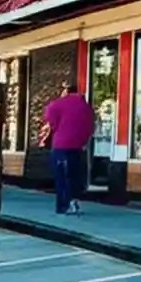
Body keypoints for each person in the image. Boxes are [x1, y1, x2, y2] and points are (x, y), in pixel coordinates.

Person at [44, 85, 95, 215]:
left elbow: (50, 118)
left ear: (66, 92)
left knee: (61, 176)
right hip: (77, 146)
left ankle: (63, 205)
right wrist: (83, 140)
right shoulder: (86, 107)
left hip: (60, 144)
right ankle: (74, 200)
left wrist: (56, 128)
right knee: (74, 174)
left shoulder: (58, 103)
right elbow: (90, 126)